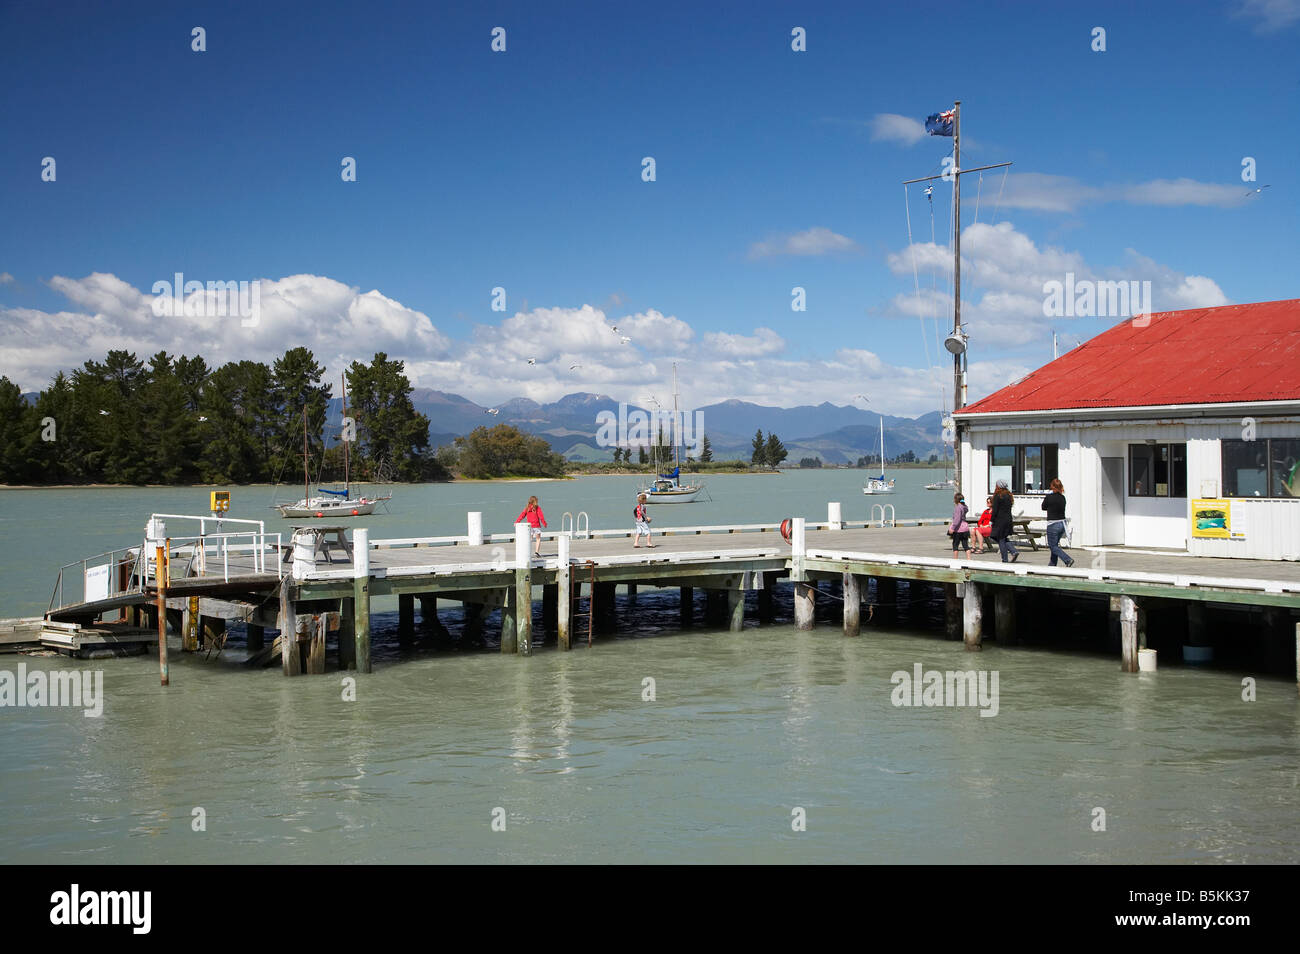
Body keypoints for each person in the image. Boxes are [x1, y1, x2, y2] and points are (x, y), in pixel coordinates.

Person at [1042, 477, 1074, 567]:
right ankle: (1052, 564)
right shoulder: (1062, 498)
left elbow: (1043, 507)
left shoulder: (1049, 497)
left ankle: (1067, 559)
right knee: (1055, 544)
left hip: (1053, 524)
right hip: (1062, 524)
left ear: (1052, 486)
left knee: (1052, 546)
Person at [990, 480, 1019, 563]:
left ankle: (1005, 559)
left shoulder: (997, 496)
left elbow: (995, 510)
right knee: (1003, 538)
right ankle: (1013, 551)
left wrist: (991, 520)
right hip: (1008, 520)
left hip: (1000, 520)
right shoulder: (1009, 495)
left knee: (1000, 539)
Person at [949, 492, 971, 561]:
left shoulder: (958, 508)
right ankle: (969, 559)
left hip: (958, 529)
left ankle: (955, 560)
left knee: (955, 545)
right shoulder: (964, 507)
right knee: (965, 545)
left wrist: (952, 528)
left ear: (956, 500)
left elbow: (957, 519)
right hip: (965, 528)